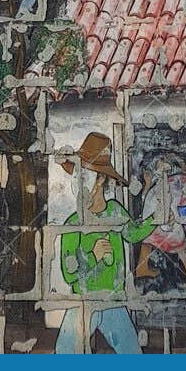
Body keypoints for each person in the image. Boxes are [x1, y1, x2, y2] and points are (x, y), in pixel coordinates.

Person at [55, 132, 155, 355]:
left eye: (86, 175)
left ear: (100, 179)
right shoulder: (73, 224)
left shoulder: (116, 210)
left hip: (113, 302)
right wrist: (93, 256)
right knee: (65, 353)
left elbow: (132, 233)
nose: (79, 182)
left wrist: (156, 219)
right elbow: (69, 274)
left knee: (131, 354)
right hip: (83, 302)